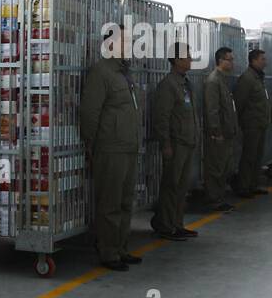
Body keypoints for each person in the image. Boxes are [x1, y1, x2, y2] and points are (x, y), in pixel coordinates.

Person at [81, 20, 143, 271]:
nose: (129, 46)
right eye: (124, 41)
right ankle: (108, 252)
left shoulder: (125, 73)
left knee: (126, 202)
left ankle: (121, 247)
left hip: (128, 146)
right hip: (110, 147)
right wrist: (91, 145)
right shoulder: (101, 72)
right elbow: (90, 112)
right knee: (110, 203)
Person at [152, 42, 198, 241]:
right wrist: (166, 144)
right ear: (177, 60)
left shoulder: (186, 83)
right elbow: (161, 117)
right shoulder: (168, 85)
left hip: (187, 142)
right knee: (171, 186)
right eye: (187, 56)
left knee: (182, 187)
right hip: (176, 143)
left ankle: (177, 223)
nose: (190, 59)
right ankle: (165, 224)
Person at [201, 47, 237, 212]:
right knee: (216, 168)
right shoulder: (214, 81)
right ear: (221, 61)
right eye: (229, 59)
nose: (232, 63)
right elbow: (212, 109)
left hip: (226, 132)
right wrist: (216, 131)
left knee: (223, 167)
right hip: (218, 135)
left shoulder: (222, 80)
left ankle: (219, 198)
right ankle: (214, 200)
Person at [233, 48, 270, 197]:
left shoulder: (258, 78)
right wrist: (243, 123)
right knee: (249, 157)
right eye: (262, 59)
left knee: (257, 157)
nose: (265, 62)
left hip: (259, 124)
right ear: (254, 60)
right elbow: (239, 102)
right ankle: (244, 187)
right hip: (251, 125)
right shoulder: (247, 78)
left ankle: (253, 185)